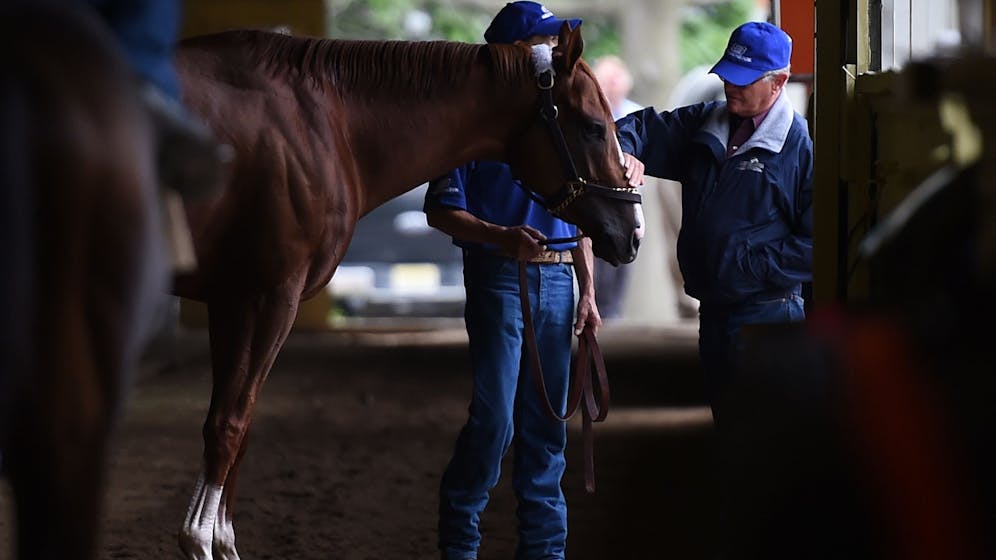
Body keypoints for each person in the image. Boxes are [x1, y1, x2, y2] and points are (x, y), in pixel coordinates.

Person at [422, 3, 598, 559]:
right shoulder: (462, 124)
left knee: (548, 427)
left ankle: (545, 553)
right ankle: (459, 544)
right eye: (541, 41)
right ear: (513, 52)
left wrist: (588, 288)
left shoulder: (559, 114)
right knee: (494, 419)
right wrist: (504, 239)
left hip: (558, 278)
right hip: (501, 275)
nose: (551, 50)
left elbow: (583, 209)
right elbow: (441, 210)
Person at [615, 21, 813, 421]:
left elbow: (815, 245)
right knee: (728, 426)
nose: (730, 87)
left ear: (779, 82)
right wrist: (626, 150)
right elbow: (638, 127)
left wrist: (741, 266)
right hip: (716, 313)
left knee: (764, 435)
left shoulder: (799, 148)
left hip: (768, 318)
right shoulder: (705, 124)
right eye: (727, 76)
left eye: (744, 79)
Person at [590, 55, 642, 320]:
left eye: (615, 81)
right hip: (595, 203)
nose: (611, 87)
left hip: (626, 205)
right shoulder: (589, 116)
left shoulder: (635, 116)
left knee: (621, 265)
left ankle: (612, 318)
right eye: (606, 81)